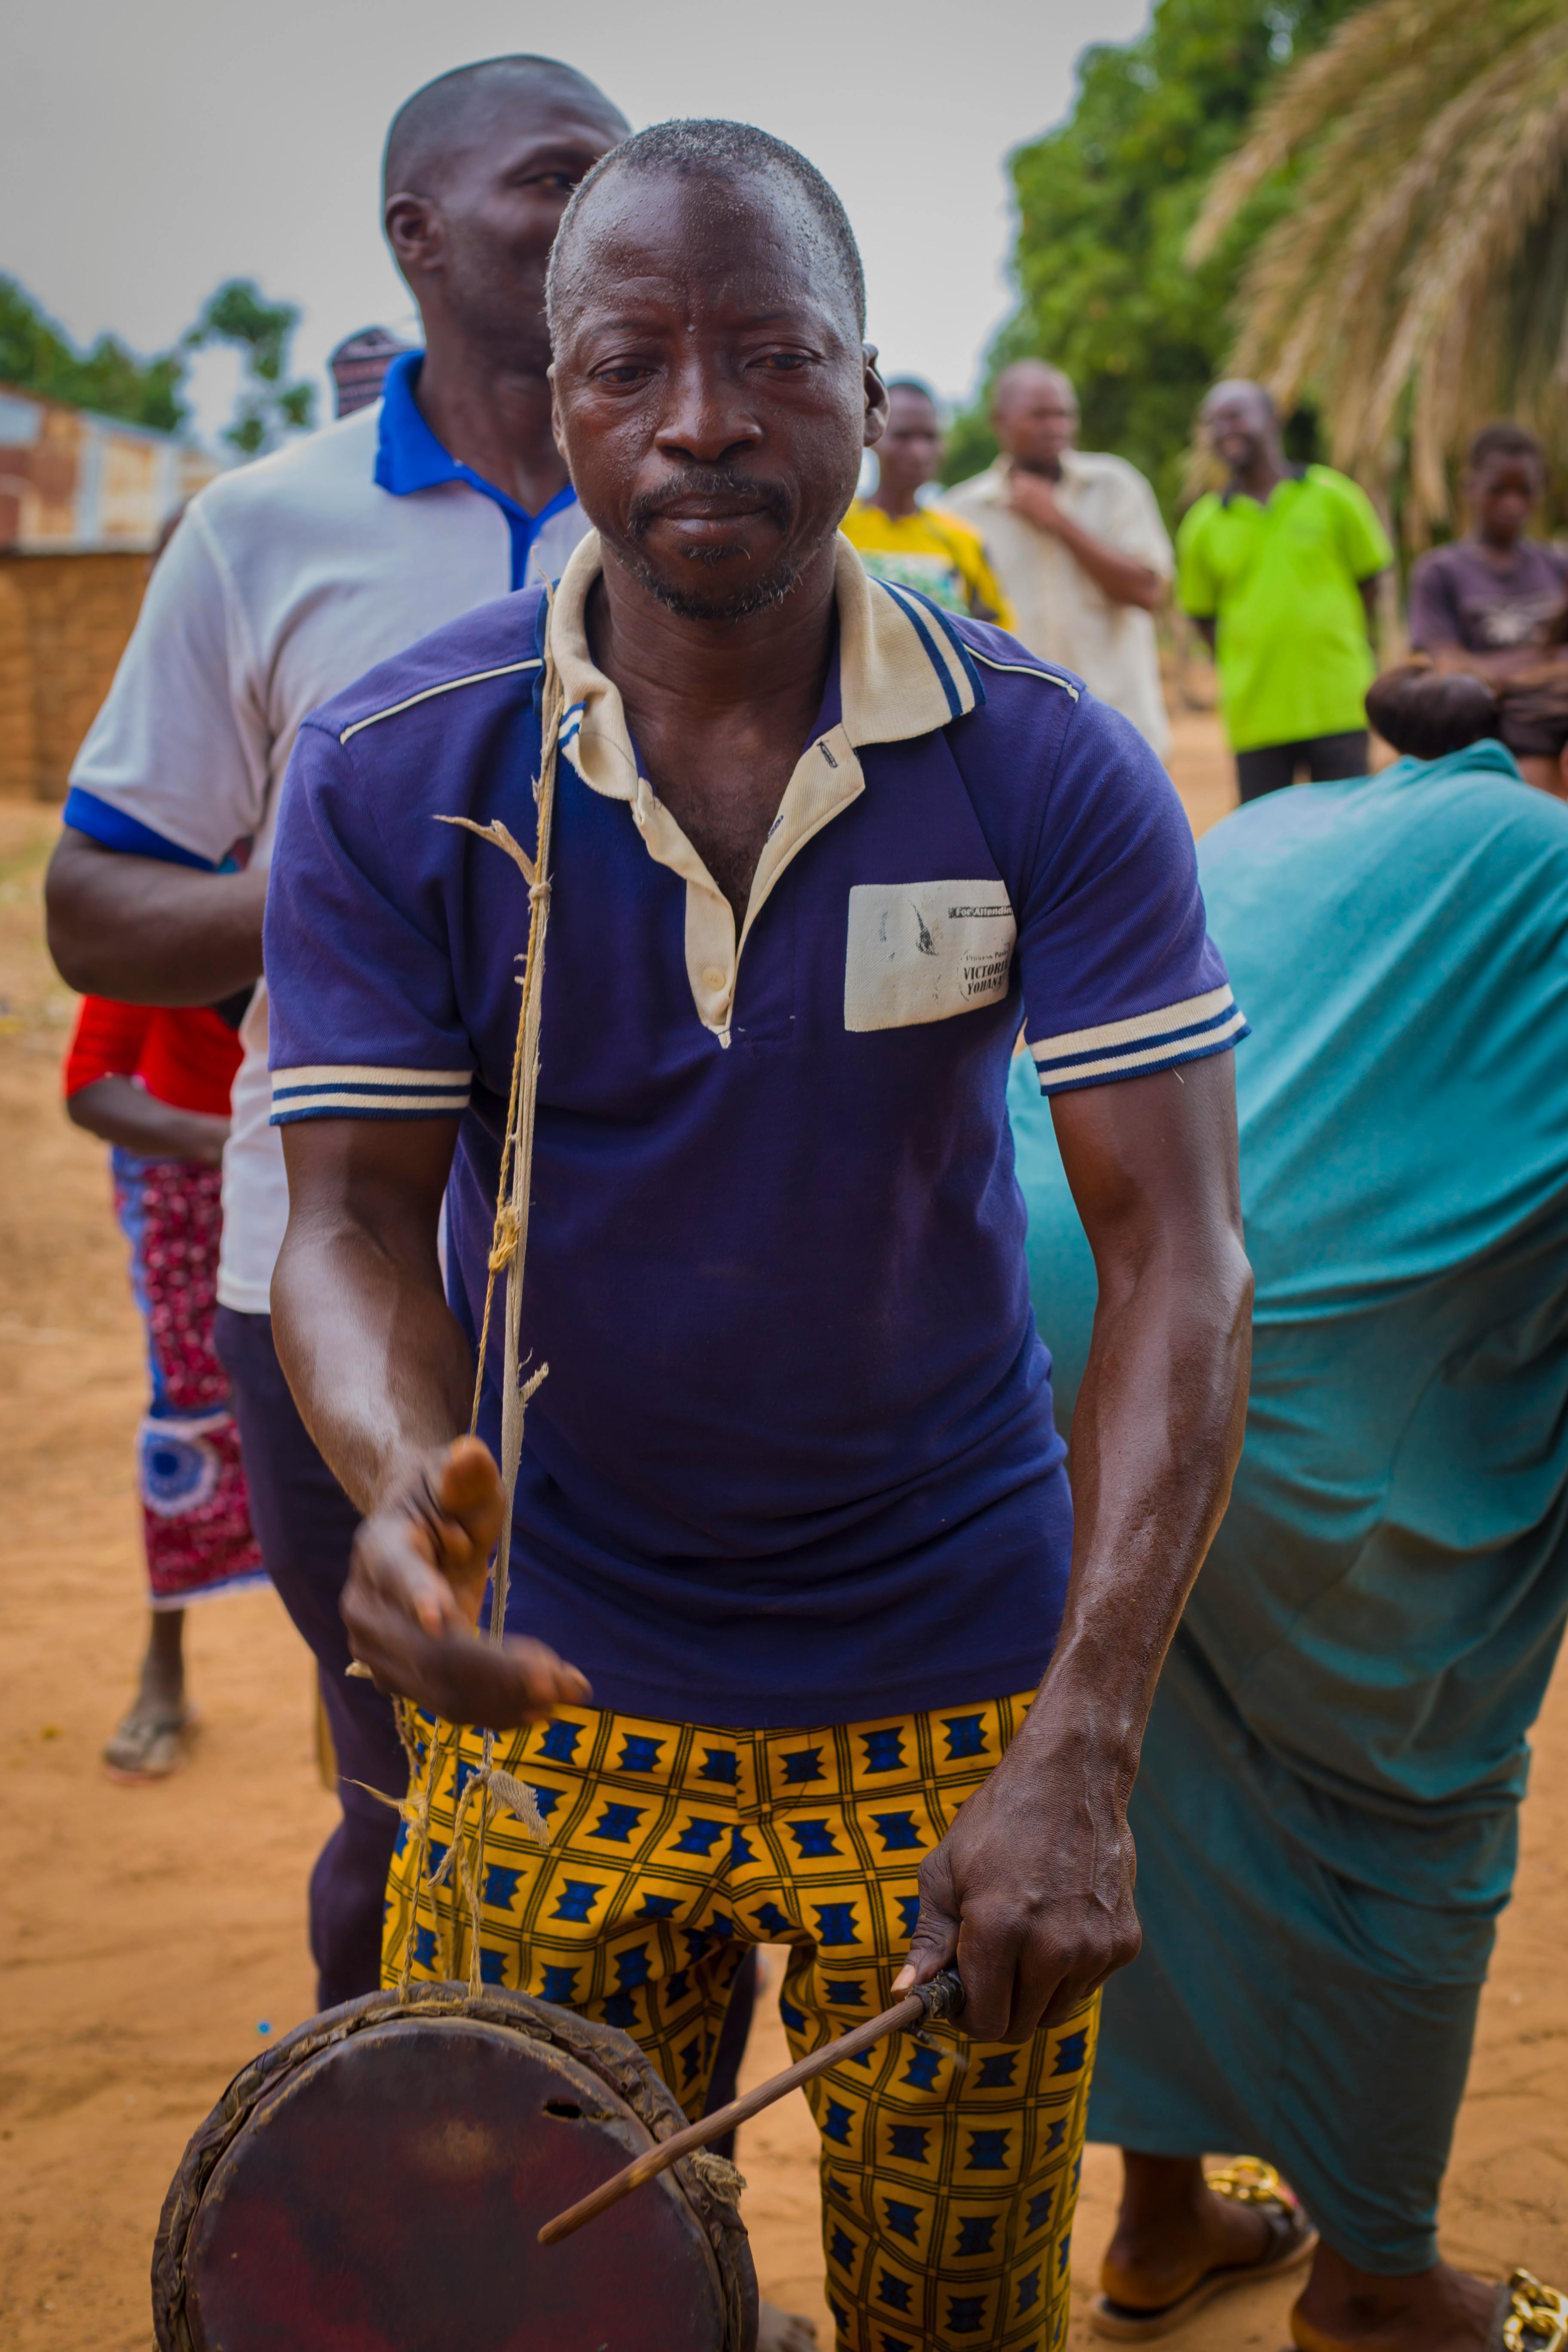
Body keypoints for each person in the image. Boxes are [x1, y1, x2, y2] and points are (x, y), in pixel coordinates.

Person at [260, 116, 1252, 2352]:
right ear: (553, 391)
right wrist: (408, 1482)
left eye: (771, 355)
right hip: (565, 1682)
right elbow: (344, 1223)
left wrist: (1083, 1743)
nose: (701, 417)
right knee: (538, 2305)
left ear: (863, 376)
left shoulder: (1043, 765)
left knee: (954, 2312)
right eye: (630, 363)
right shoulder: (403, 769)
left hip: (962, 1687)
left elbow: (1181, 1253)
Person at [42, 54, 631, 2010]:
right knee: (406, 1803)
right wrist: (373, 879)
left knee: (643, 1813)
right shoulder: (257, 529)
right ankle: (385, 2271)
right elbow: (97, 902)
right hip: (338, 1265)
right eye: (557, 178)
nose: (603, 204)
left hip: (659, 1271)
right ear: (417, 233)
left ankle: (641, 2288)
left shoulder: (695, 505)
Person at [1006, 662, 1568, 2351]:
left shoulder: (1290, 817)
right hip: (1257, 1355)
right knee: (1418, 1786)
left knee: (1146, 1744)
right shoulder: (1548, 878)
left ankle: (1161, 2225)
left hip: (1039, 1326)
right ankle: (1379, 2279)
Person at [65, 991, 264, 1781]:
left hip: (318, 1151)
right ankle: (165, 1669)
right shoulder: (175, 882)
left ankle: (361, 1677)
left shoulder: (361, 875)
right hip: (191, 1164)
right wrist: (240, 1141)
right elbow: (93, 1082)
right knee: (189, 1407)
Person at [945, 360, 1174, 759]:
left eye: (1065, 414)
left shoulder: (1115, 486)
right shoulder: (961, 514)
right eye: (1040, 415)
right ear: (999, 421)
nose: (1057, 426)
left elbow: (1148, 591)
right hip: (1017, 744)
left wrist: (1056, 520)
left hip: (1123, 736)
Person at [1179, 379, 1392, 801]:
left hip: (1340, 705)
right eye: (1213, 423)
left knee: (1348, 831)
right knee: (1267, 841)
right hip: (1256, 716)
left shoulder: (1334, 496)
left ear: (1274, 420)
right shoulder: (1202, 524)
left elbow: (1370, 582)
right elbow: (1204, 616)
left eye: (1236, 416)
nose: (1224, 430)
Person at [840, 378, 1012, 621]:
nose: (919, 452)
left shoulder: (963, 541)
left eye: (930, 437)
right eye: (903, 436)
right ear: (871, 435)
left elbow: (994, 638)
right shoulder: (836, 530)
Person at [1409, 424, 1568, 678]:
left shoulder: (1560, 566)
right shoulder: (1439, 572)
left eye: (1525, 491)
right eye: (1498, 490)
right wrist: (1543, 656)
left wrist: (1484, 667)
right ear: (1470, 486)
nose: (1513, 504)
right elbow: (1450, 670)